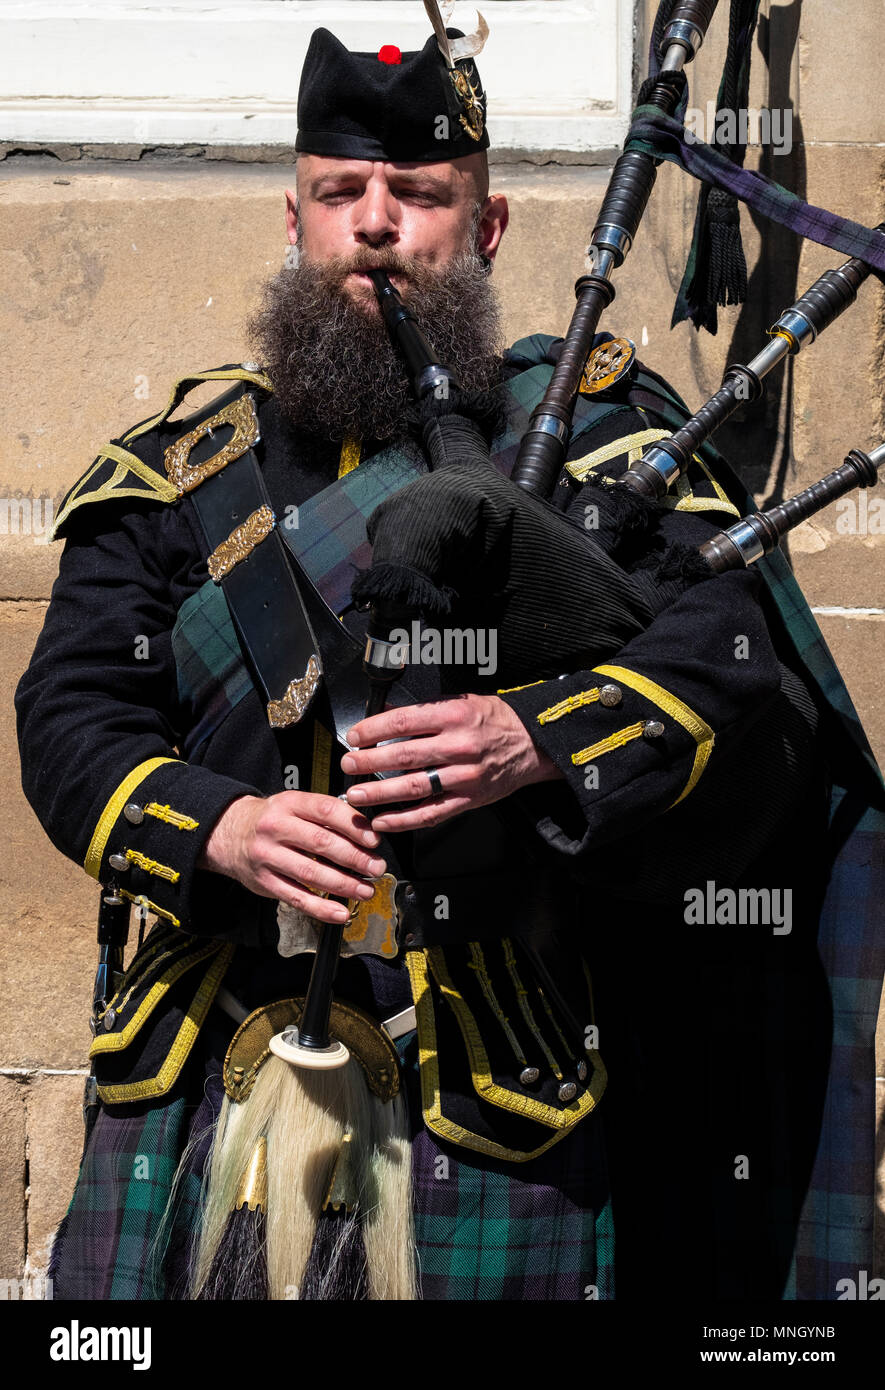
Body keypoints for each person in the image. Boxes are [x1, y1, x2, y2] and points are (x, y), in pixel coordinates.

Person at [15, 14, 881, 1302]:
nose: (376, 224)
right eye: (340, 192)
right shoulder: (173, 476)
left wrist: (539, 740)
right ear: (294, 220)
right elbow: (72, 714)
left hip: (493, 1089)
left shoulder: (605, 452)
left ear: (485, 232)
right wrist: (222, 826)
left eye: (419, 194)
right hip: (210, 1059)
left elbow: (735, 663)